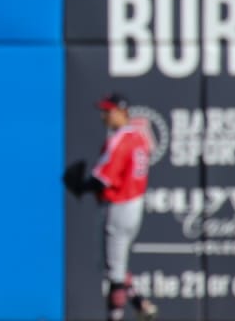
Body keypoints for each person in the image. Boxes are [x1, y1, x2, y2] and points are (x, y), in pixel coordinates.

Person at [88, 93, 156, 321]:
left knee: (114, 273)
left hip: (118, 205)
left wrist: (81, 185)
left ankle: (116, 317)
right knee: (116, 265)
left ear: (122, 112)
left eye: (109, 111)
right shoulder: (139, 138)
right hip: (135, 204)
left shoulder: (121, 138)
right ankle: (141, 303)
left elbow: (102, 178)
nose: (104, 116)